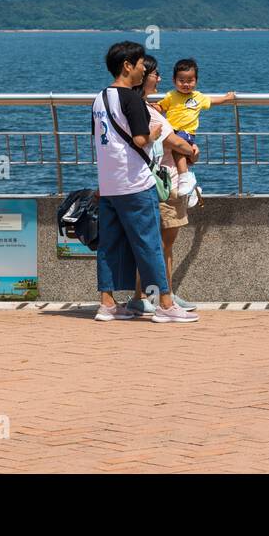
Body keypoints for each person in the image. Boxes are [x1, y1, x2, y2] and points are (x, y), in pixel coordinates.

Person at [92, 41, 198, 324]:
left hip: (110, 183)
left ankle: (108, 304)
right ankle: (165, 303)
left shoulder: (100, 98)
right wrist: (153, 133)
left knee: (109, 245)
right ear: (127, 66)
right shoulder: (132, 100)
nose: (144, 69)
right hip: (136, 183)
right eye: (141, 64)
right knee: (149, 243)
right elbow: (140, 139)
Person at [126, 55, 202, 317]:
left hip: (144, 179)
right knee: (164, 244)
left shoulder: (135, 106)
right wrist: (191, 150)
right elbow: (174, 142)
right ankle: (164, 297)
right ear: (142, 76)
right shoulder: (147, 111)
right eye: (155, 74)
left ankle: (142, 296)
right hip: (165, 181)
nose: (158, 79)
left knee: (151, 242)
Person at [157, 58, 236, 204]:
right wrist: (152, 106)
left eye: (190, 80)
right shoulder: (171, 95)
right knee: (175, 159)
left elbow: (212, 101)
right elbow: (162, 107)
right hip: (172, 131)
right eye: (181, 80)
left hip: (186, 132)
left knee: (177, 150)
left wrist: (227, 98)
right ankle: (192, 190)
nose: (186, 84)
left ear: (196, 81)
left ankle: (185, 178)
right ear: (174, 80)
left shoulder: (198, 97)